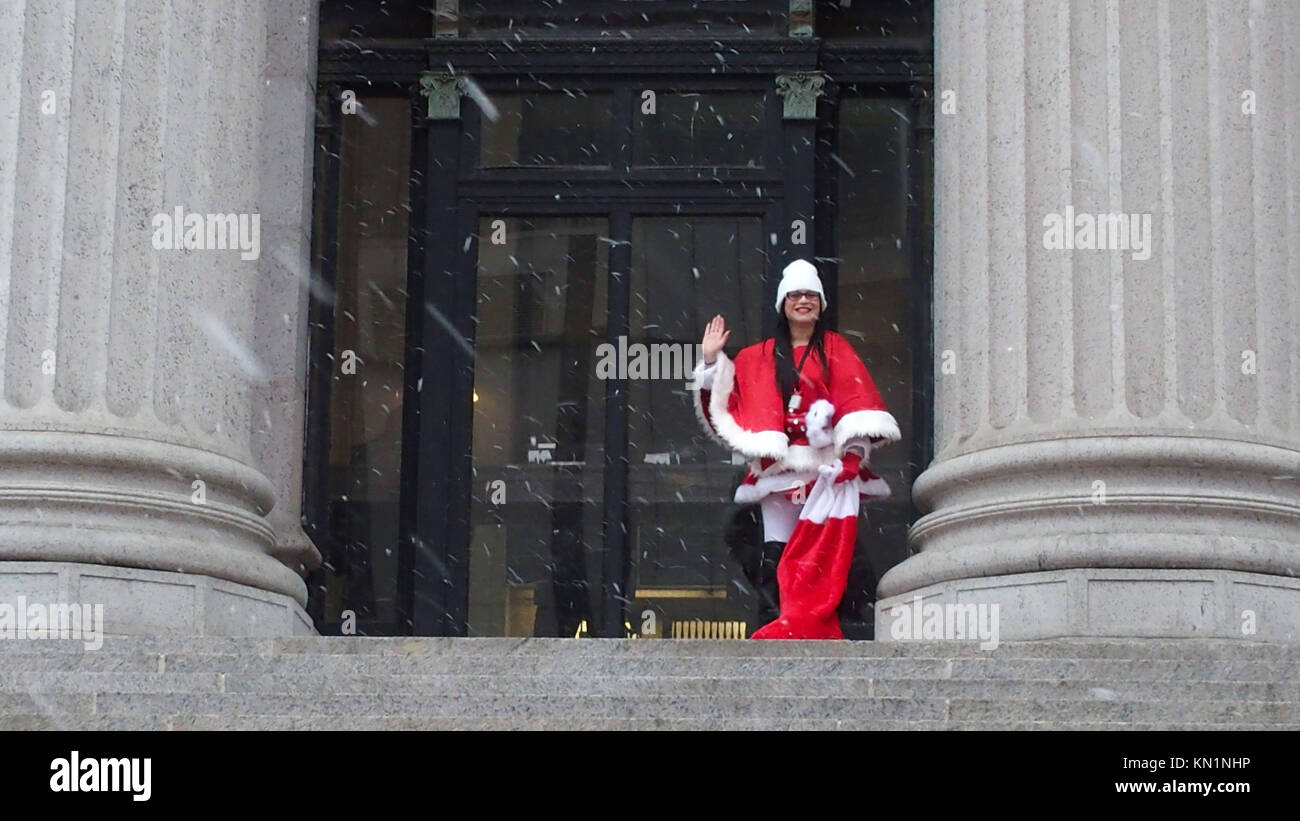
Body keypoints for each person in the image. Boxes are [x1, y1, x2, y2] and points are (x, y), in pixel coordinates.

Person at [692, 258, 900, 639]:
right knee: (777, 551)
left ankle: (825, 623)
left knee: (827, 551)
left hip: (827, 471)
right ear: (783, 302)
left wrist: (852, 458)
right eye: (795, 294)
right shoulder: (757, 357)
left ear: (820, 303)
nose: (803, 301)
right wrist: (710, 360)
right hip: (780, 471)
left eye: (810, 294)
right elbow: (725, 406)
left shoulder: (836, 348)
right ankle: (781, 624)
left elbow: (858, 406)